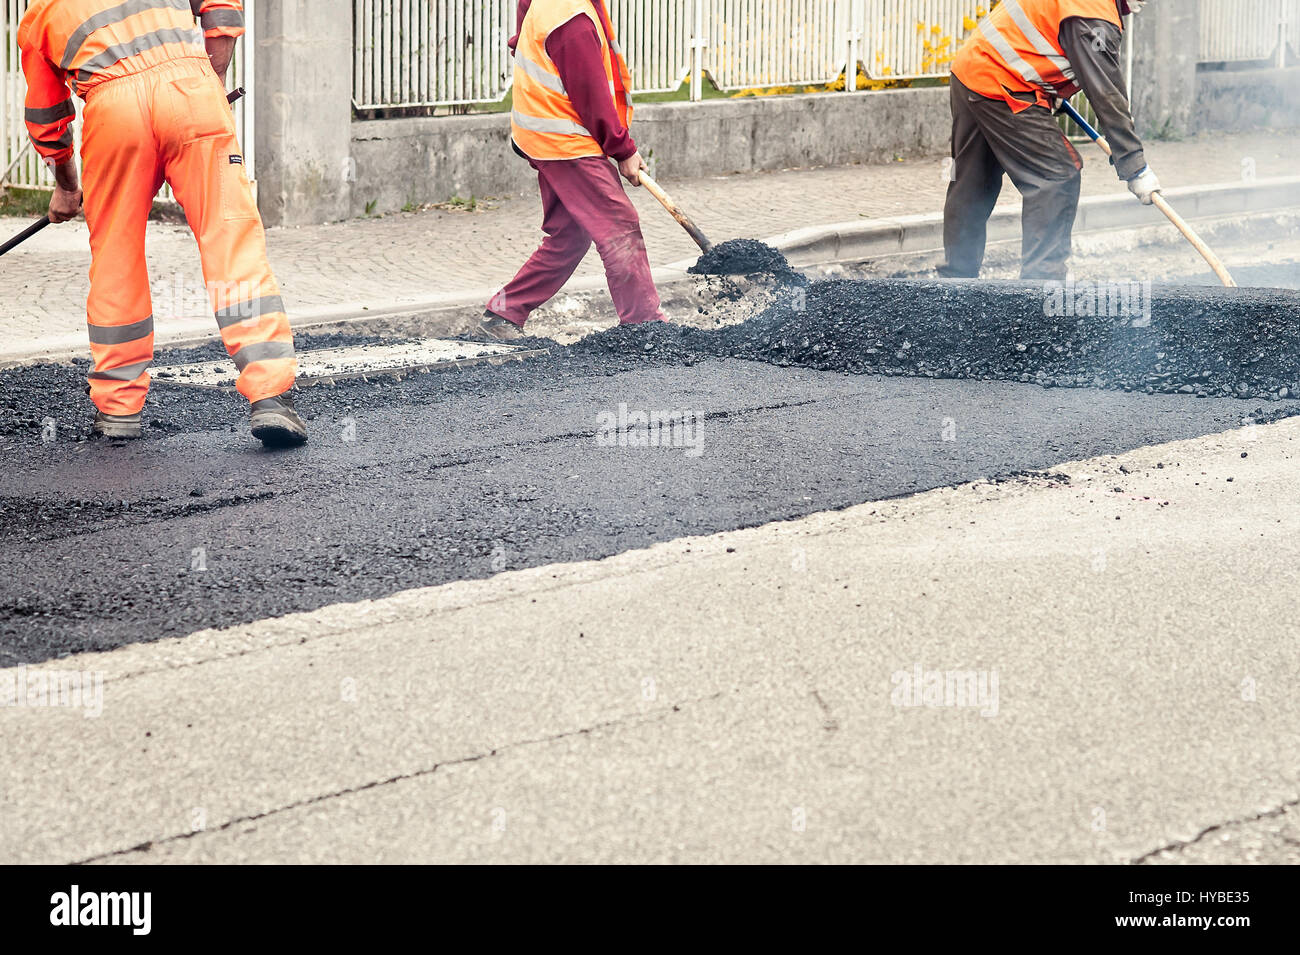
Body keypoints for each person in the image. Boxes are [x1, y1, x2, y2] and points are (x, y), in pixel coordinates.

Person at [19, 0, 307, 446]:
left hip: (112, 113)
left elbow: (48, 121)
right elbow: (222, 9)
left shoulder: (40, 13)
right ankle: (270, 395)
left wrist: (66, 186)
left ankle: (118, 409)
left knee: (115, 257)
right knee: (230, 238)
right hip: (191, 92)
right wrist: (213, 82)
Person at [481, 0, 665, 339]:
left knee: (570, 234)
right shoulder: (571, 19)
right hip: (564, 140)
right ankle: (645, 327)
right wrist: (623, 149)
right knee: (619, 226)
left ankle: (504, 313)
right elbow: (591, 95)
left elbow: (522, 33)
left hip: (544, 135)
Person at [940, 0, 1159, 281]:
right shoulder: (1092, 15)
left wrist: (1049, 89)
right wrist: (1133, 164)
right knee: (1057, 176)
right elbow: (1106, 92)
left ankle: (955, 286)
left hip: (972, 70)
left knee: (972, 182)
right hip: (1004, 84)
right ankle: (1040, 291)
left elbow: (1042, 36)